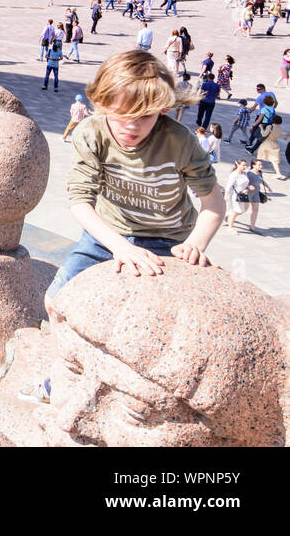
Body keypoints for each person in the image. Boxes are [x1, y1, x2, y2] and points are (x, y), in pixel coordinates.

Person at [22, 50, 222, 405]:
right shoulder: (92, 132)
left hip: (169, 238)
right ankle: (61, 375)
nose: (131, 126)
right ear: (100, 104)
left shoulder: (179, 140)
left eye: (144, 116)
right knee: (55, 302)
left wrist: (196, 243)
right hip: (107, 233)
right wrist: (120, 246)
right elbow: (80, 202)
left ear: (162, 108)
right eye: (121, 115)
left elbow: (213, 203)